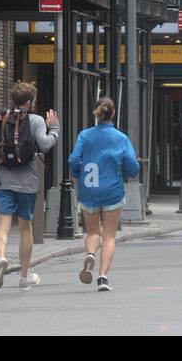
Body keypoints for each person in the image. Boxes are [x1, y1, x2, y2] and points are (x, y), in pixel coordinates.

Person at [0, 82, 59, 291]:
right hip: (28, 184)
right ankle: (24, 277)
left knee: (2, 226)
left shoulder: (0, 119)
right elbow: (45, 145)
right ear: (30, 102)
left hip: (4, 182)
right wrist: (55, 128)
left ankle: (1, 258)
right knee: (25, 228)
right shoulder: (37, 120)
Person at [69, 97, 140, 292]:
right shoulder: (120, 138)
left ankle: (90, 252)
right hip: (112, 190)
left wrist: (77, 175)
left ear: (96, 113)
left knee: (93, 232)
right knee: (109, 236)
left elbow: (74, 159)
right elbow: (132, 167)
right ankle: (102, 277)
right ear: (113, 114)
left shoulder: (85, 136)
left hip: (89, 188)